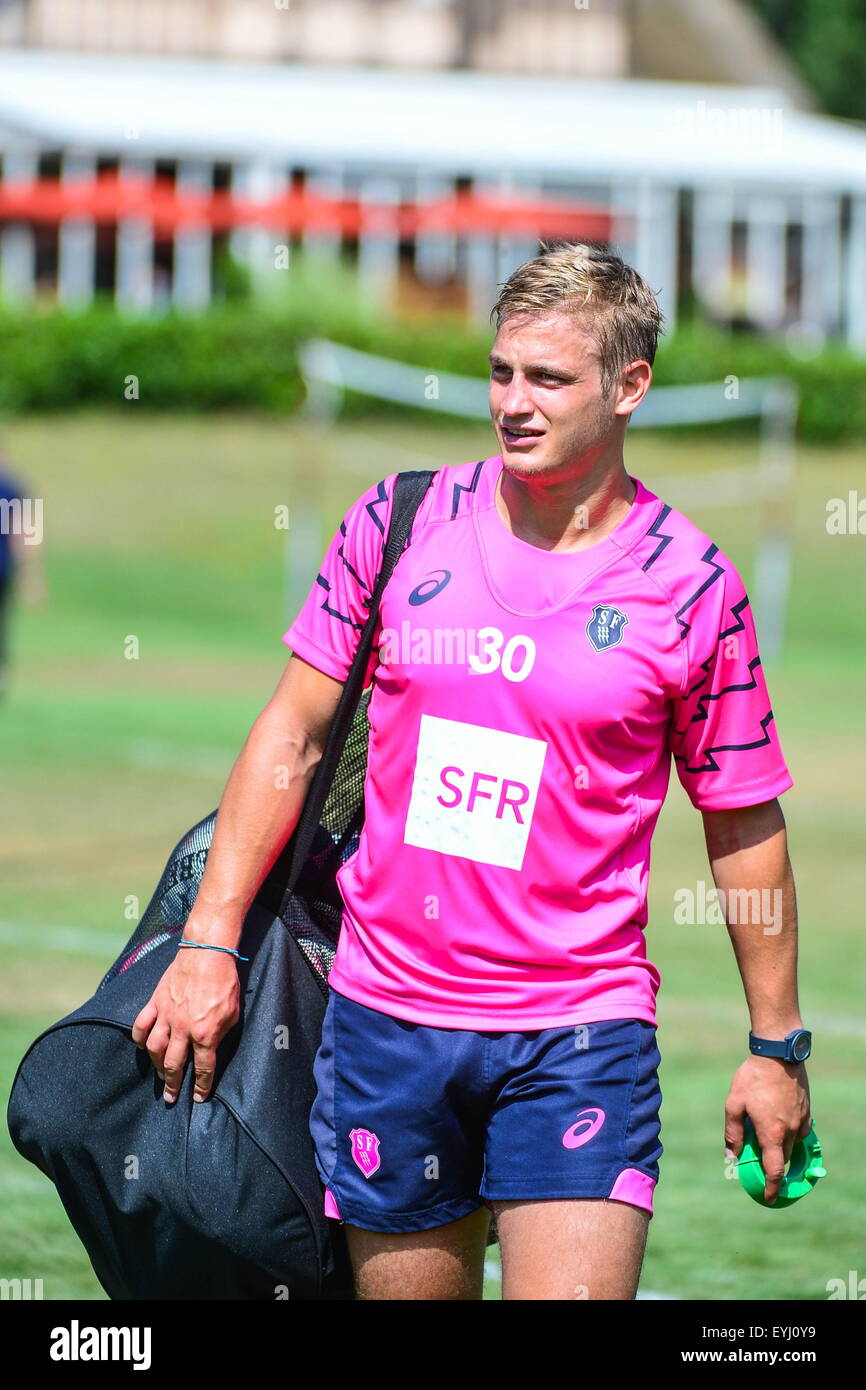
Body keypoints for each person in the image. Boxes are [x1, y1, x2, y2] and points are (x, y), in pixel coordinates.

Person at [132, 241, 810, 1301]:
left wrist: (776, 1043)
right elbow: (291, 734)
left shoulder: (690, 586)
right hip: (385, 1017)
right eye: (501, 372)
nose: (513, 402)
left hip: (580, 1026)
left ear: (628, 388)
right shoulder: (397, 523)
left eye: (548, 379)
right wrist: (208, 940)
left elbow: (739, 818)